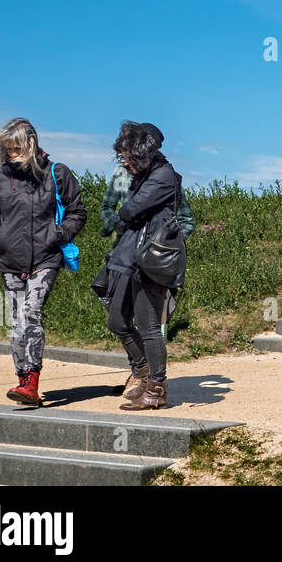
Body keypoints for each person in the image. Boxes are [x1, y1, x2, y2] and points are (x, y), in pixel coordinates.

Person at [0, 118, 86, 407]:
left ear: (30, 144)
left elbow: (77, 212)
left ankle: (31, 380)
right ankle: (22, 378)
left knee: (31, 312)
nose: (10, 153)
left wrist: (57, 234)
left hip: (46, 258)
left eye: (15, 148)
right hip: (9, 259)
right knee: (17, 321)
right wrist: (0, 237)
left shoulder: (56, 173)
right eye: (6, 148)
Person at [100, 121, 184, 410]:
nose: (123, 162)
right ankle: (144, 373)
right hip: (128, 257)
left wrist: (125, 214)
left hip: (150, 260)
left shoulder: (164, 176)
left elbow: (130, 209)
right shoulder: (144, 175)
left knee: (149, 327)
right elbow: (124, 212)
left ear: (140, 153)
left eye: (126, 155)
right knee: (117, 321)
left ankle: (156, 389)